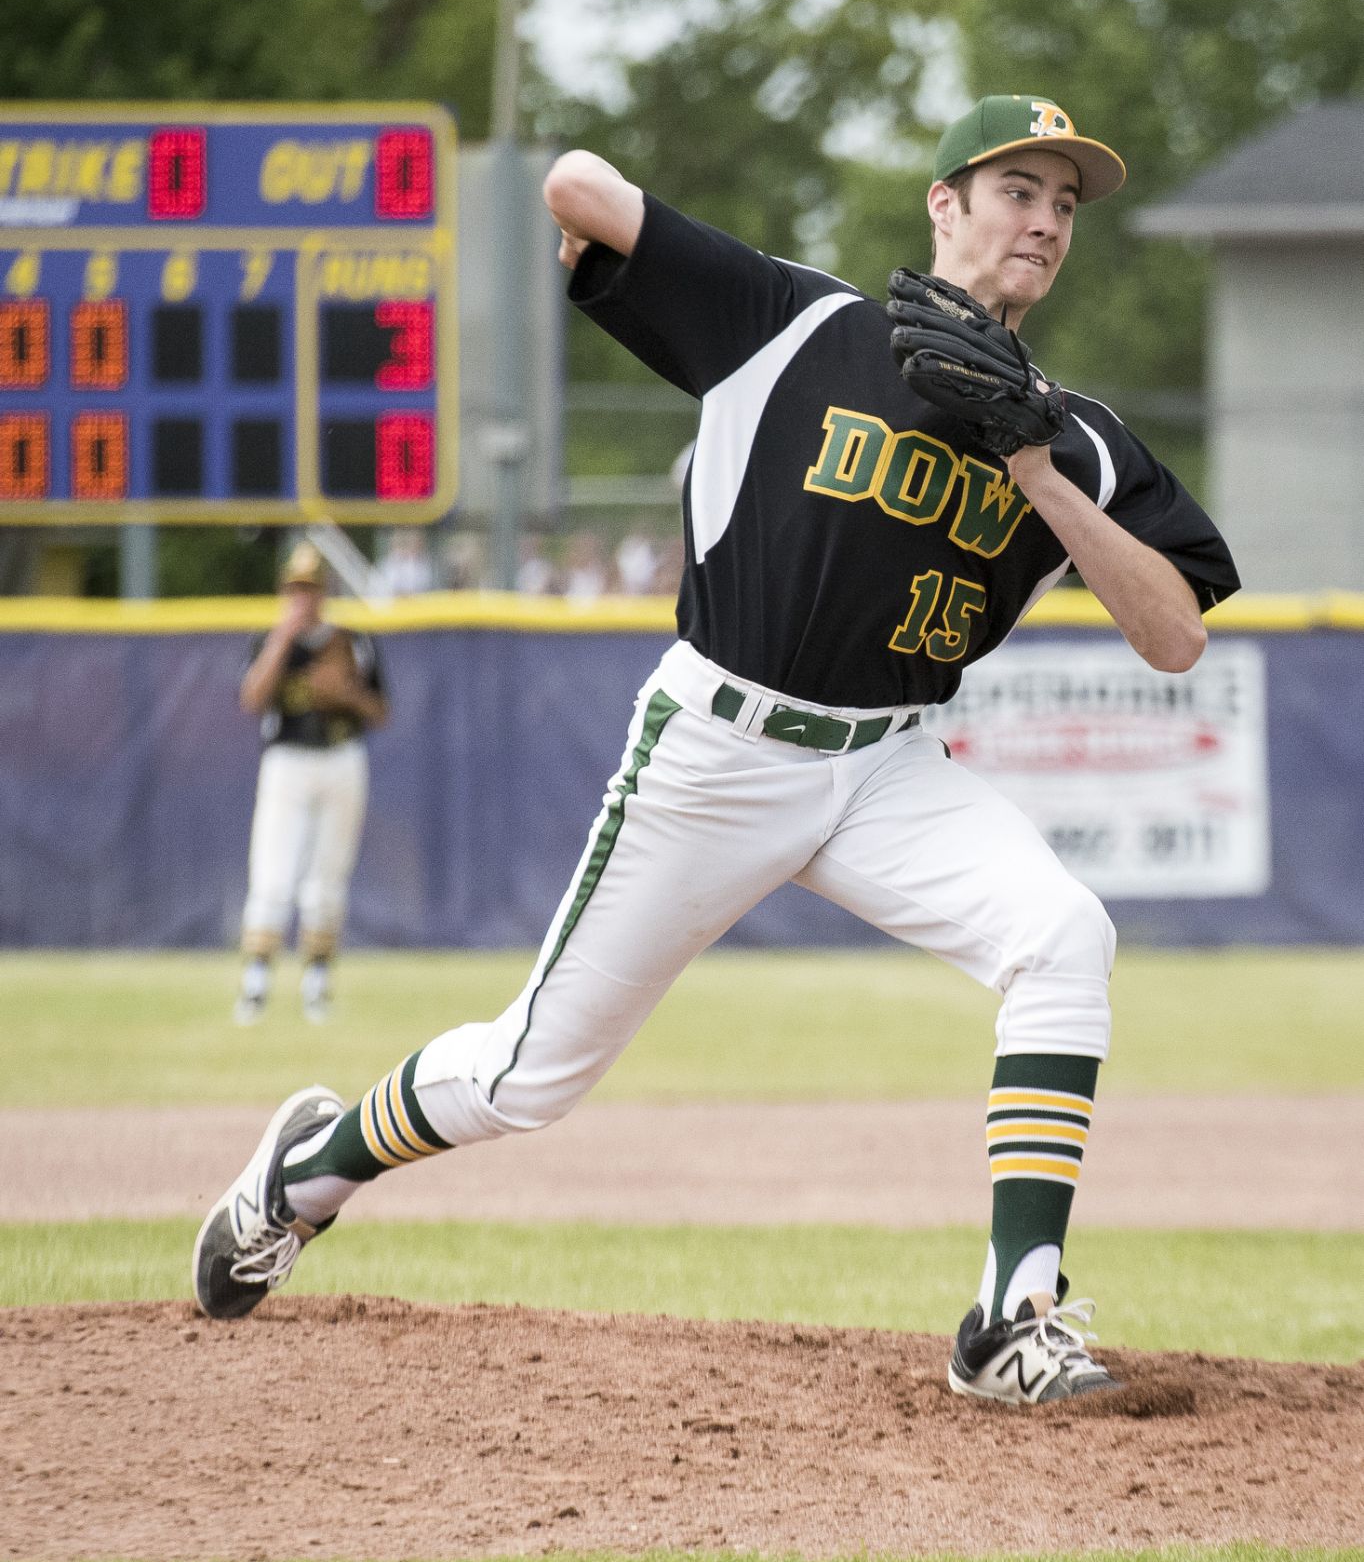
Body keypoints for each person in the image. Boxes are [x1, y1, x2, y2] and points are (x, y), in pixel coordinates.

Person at [194, 94, 1239, 1407]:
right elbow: (576, 186)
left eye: (1065, 202)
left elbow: (1175, 637)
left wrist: (1034, 462)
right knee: (528, 1078)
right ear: (945, 205)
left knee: (1064, 935)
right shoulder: (795, 321)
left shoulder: (1076, 436)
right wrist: (712, 257)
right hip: (718, 749)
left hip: (892, 767)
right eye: (1017, 188)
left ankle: (1010, 1315)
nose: (1043, 218)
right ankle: (297, 1182)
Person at [232, 540, 389, 1026]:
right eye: (295, 588)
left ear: (326, 591)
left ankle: (317, 985)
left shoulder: (352, 640)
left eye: (311, 588)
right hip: (288, 761)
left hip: (341, 758)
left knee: (327, 878)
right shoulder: (272, 640)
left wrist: (346, 693)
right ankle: (256, 983)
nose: (303, 597)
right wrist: (283, 639)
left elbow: (381, 711)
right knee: (272, 875)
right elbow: (252, 698)